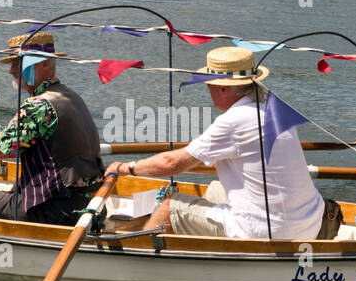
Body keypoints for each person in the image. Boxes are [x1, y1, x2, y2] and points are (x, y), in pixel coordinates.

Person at [104, 46, 325, 241]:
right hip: (309, 221)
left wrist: (125, 168)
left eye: (208, 85)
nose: (206, 89)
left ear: (223, 88)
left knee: (170, 207)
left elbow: (171, 164)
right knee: (215, 190)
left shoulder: (234, 121)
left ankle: (137, 259)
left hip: (269, 231)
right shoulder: (274, 107)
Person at [0, 32, 104, 225]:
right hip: (92, 204)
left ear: (45, 63)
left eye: (19, 62)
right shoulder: (69, 95)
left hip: (59, 211)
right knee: (14, 190)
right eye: (13, 63)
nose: (12, 70)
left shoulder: (39, 107)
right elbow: (20, 143)